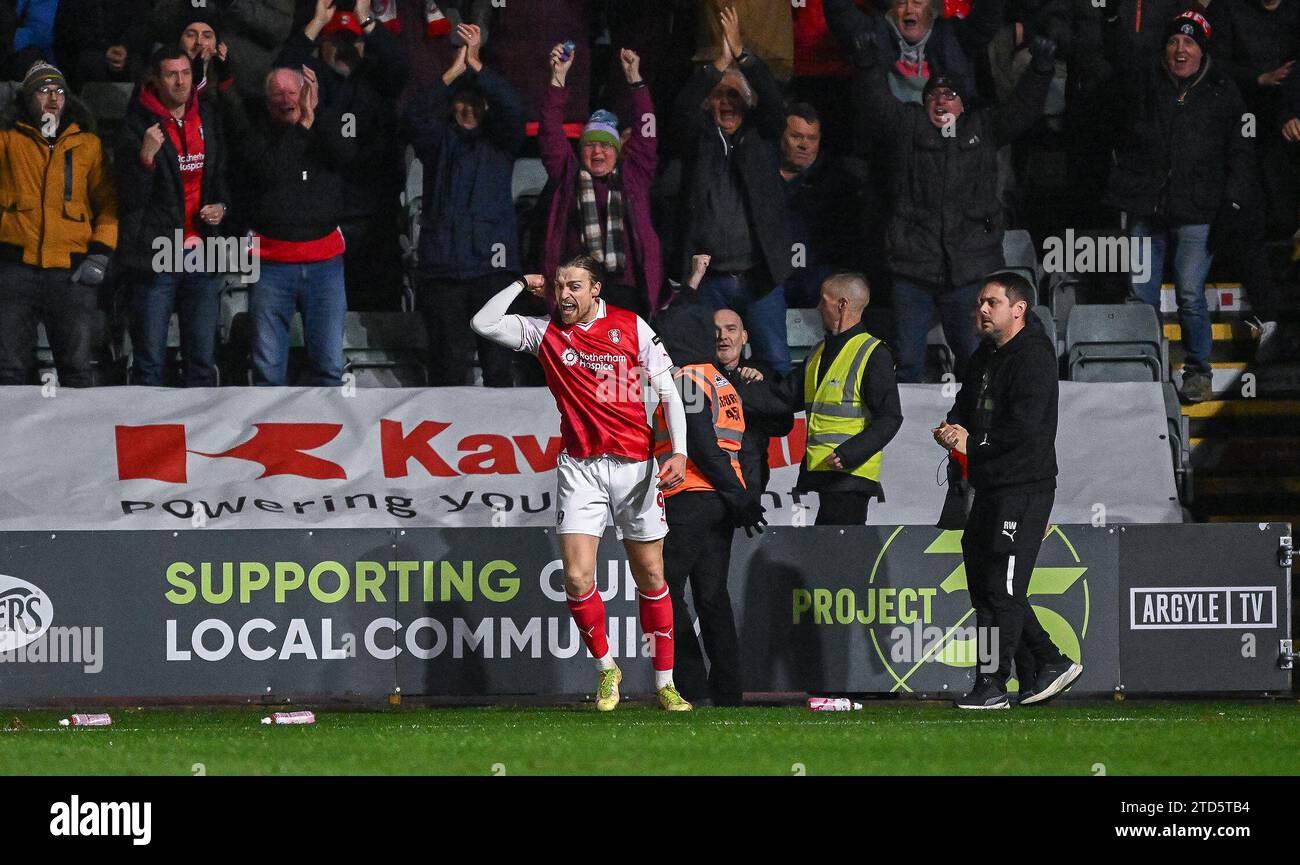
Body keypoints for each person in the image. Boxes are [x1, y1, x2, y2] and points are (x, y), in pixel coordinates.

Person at [470, 255, 694, 712]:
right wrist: (519, 283)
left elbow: (669, 391)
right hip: (581, 468)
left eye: (575, 286)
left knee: (651, 574)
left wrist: (679, 451)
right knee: (575, 576)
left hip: (636, 466)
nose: (564, 295)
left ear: (596, 291)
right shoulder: (545, 333)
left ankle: (665, 683)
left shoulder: (631, 327)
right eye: (558, 287)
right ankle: (606, 668)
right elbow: (483, 322)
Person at [849, 27, 1056, 382]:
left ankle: (971, 431)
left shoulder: (983, 127)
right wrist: (868, 64)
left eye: (950, 95)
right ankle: (905, 435)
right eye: (934, 95)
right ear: (924, 103)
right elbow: (877, 104)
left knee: (975, 360)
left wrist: (1040, 69)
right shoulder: (908, 126)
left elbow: (1022, 109)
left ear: (963, 104)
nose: (942, 100)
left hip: (968, 270)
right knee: (908, 362)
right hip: (912, 270)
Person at [934, 272, 1082, 709]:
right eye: (980, 301)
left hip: (1024, 487)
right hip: (989, 485)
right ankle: (1048, 661)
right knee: (984, 583)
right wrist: (952, 427)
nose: (981, 309)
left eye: (992, 303)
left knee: (1002, 586)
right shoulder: (984, 354)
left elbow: (1026, 430)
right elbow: (964, 405)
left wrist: (973, 443)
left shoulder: (1033, 356)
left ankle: (993, 683)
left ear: (1018, 309)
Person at [1104, 10, 1254, 403]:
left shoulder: (1223, 89)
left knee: (1189, 292)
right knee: (1140, 295)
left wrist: (1232, 200)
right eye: (1173, 41)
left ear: (1202, 51)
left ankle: (1198, 373)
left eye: (1188, 43)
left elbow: (1240, 151)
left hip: (1198, 211)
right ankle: (1146, 368)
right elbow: (1115, 131)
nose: (1179, 49)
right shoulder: (1142, 83)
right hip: (1145, 206)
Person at [651, 297, 766, 707]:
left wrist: (739, 497)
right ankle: (727, 692)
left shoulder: (684, 380)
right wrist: (742, 497)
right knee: (712, 596)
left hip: (690, 494)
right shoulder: (718, 379)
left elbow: (699, 444)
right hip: (720, 499)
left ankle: (690, 685)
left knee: (660, 588)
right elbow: (742, 446)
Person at [675, 5, 795, 374]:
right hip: (709, 279)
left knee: (775, 361)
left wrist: (742, 56)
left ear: (749, 103)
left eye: (735, 96)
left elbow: (775, 105)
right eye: (720, 96)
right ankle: (711, 432)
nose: (727, 103)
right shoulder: (700, 140)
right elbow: (681, 111)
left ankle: (777, 432)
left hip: (758, 277)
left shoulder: (762, 137)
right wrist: (717, 66)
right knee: (701, 365)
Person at [405, 21, 524, 386]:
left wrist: (477, 67)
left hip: (493, 272)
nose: (469, 109)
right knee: (447, 369)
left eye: (476, 102)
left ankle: (500, 439)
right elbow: (413, 117)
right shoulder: (437, 142)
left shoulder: (501, 141)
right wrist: (454, 70)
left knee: (499, 370)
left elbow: (514, 109)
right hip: (444, 272)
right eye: (462, 100)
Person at [221, 64, 357, 386]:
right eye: (278, 94)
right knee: (268, 370)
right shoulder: (256, 136)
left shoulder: (332, 123)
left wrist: (315, 119)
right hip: (271, 265)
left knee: (328, 365)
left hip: (325, 264)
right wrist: (302, 128)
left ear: (308, 93)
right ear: (267, 103)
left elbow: (346, 156)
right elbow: (272, 172)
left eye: (292, 92)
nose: (286, 100)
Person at [278, 0, 410, 310]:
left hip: (373, 213)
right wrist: (315, 23)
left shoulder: (378, 80)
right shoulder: (313, 80)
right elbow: (282, 72)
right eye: (337, 40)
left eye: (353, 41)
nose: (345, 49)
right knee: (323, 309)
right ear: (323, 43)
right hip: (324, 215)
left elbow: (401, 64)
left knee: (375, 305)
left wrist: (366, 20)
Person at [744, 273, 903, 525]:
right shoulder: (819, 352)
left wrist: (850, 453)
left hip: (850, 474)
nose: (818, 307)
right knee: (829, 552)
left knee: (838, 555)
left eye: (823, 300)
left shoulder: (873, 353)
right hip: (826, 472)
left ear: (842, 304)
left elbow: (890, 417)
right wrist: (730, 391)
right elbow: (782, 397)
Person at [116, 45, 230, 387]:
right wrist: (145, 161)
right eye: (171, 74)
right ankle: (146, 438)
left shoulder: (207, 118)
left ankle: (204, 438)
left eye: (185, 73)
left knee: (202, 360)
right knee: (149, 361)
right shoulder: (137, 126)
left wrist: (222, 207)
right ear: (155, 79)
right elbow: (128, 199)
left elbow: (222, 176)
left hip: (202, 253)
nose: (180, 82)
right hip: (156, 255)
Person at [0, 61, 118, 387]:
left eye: (60, 91)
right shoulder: (6, 141)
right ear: (26, 97)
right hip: (14, 270)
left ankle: (78, 439)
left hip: (71, 271)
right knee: (8, 369)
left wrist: (99, 255)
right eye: (43, 90)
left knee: (77, 369)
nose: (53, 98)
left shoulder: (89, 146)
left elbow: (108, 205)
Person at [540, 42, 663, 316]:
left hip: (626, 291)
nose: (597, 151)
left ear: (617, 150)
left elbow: (648, 131)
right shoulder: (568, 175)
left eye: (606, 145)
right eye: (590, 145)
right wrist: (558, 78)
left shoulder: (633, 176)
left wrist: (636, 82)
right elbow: (549, 130)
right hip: (578, 291)